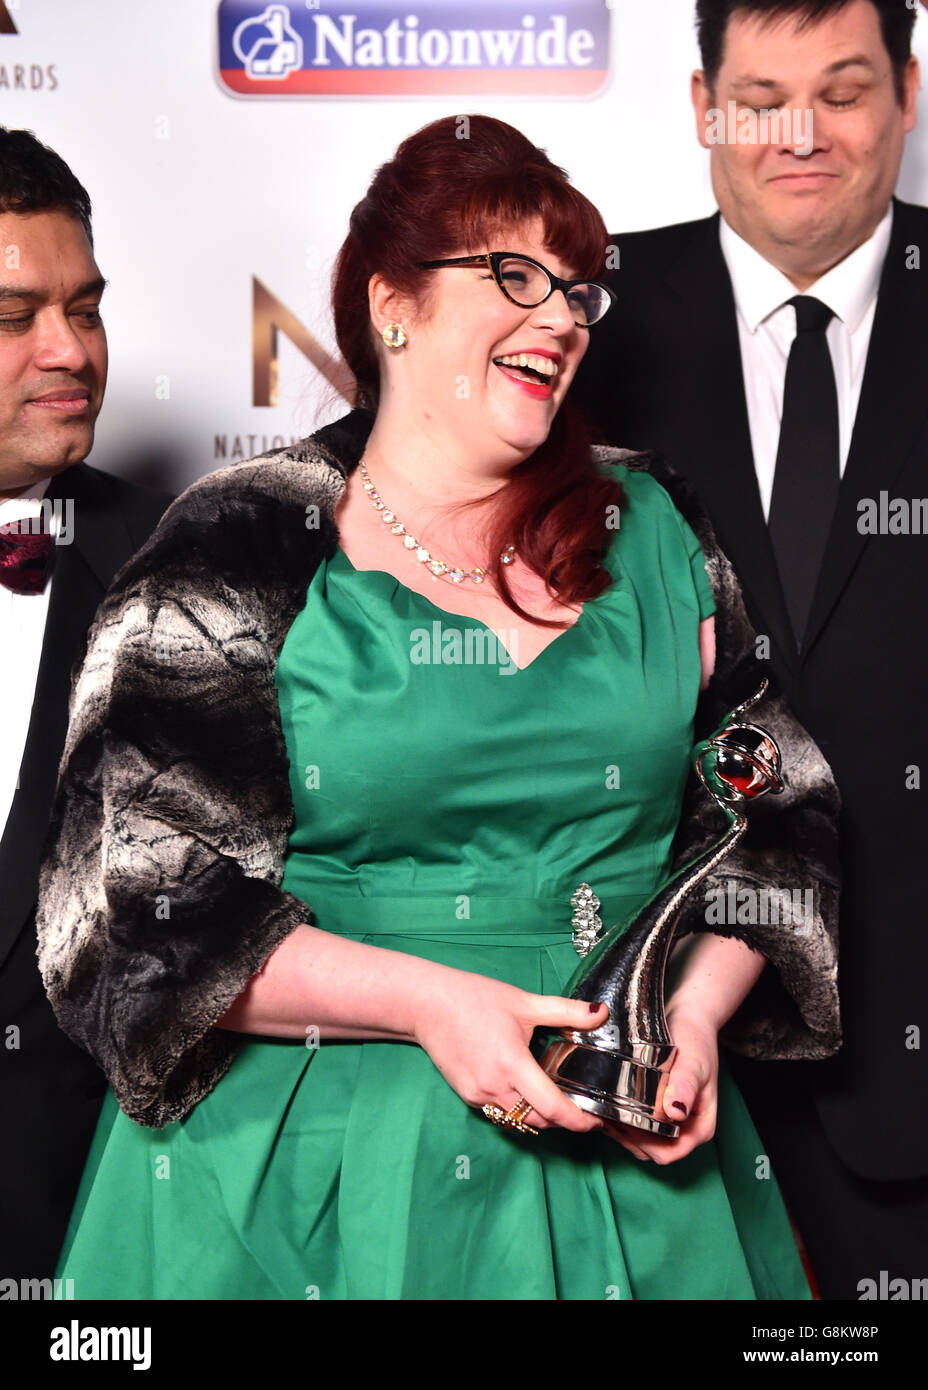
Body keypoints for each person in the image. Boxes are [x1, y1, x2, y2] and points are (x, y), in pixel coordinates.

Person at [37, 115, 839, 1301]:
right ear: (391, 305)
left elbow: (779, 807)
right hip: (301, 1161)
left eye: (576, 290)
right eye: (514, 275)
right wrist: (426, 1000)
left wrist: (698, 1010)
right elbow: (128, 901)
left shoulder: (656, 525)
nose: (562, 315)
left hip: (623, 1148)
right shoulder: (237, 540)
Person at [572, 0, 927, 1300]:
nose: (800, 134)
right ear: (702, 107)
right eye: (760, 96)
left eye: (840, 90)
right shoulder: (579, 323)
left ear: (908, 90)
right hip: (629, 1048)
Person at [0, 127, 172, 1279]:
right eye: (15, 317)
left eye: (87, 308)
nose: (69, 350)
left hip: (83, 1235)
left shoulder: (174, 571)